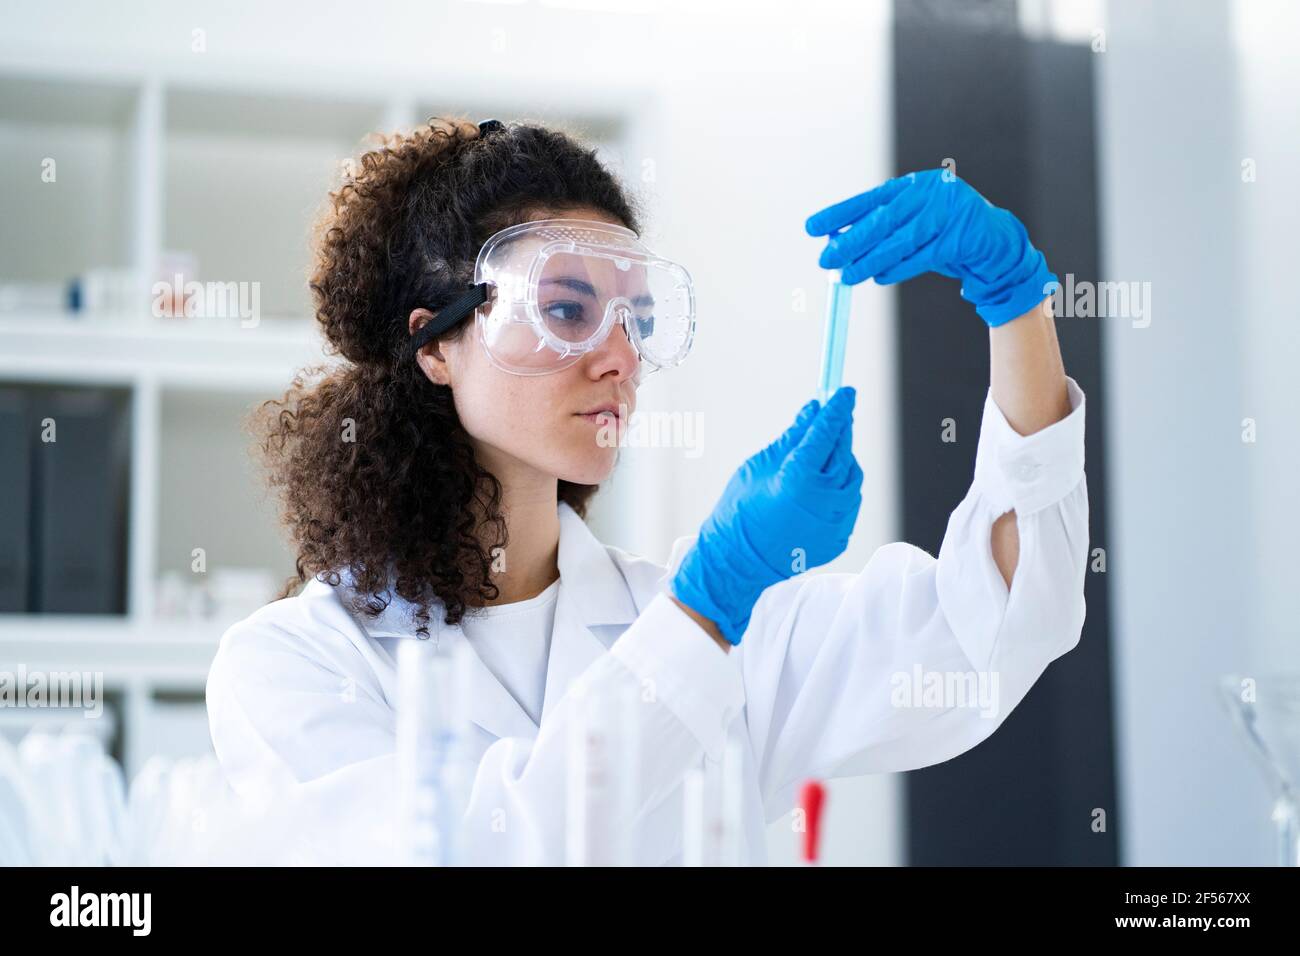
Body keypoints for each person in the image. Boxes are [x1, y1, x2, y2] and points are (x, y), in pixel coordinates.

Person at [205, 117, 1088, 865]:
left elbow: (1000, 625)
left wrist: (1016, 303)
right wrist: (707, 606)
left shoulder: (721, 625)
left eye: (639, 316)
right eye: (566, 309)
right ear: (435, 344)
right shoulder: (292, 666)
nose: (620, 355)